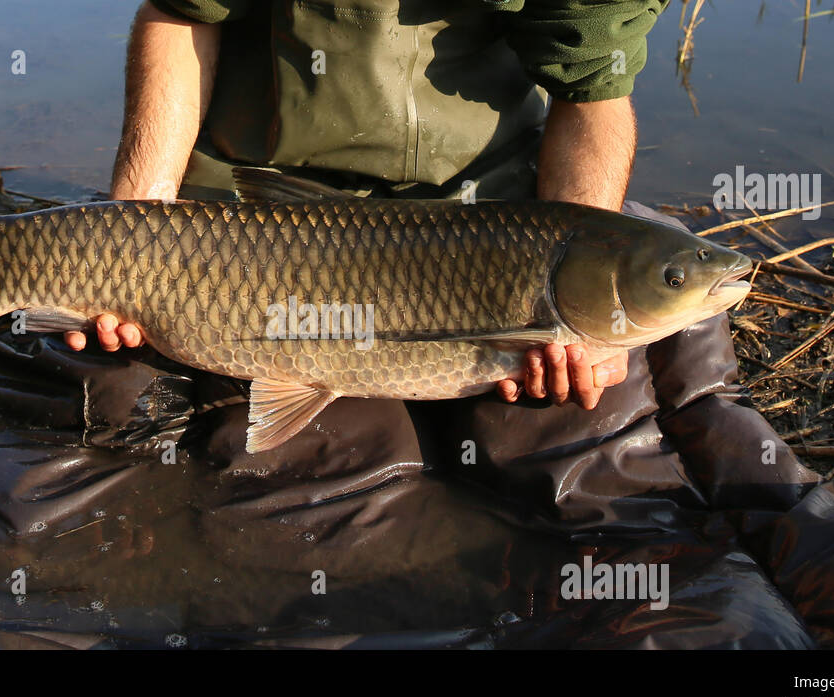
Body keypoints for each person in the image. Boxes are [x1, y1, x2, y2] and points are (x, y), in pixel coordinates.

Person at [67, 0, 669, 411]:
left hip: (480, 221)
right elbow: (183, 11)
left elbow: (591, 81)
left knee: (563, 433)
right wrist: (133, 230)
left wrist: (588, 326)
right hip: (252, 210)